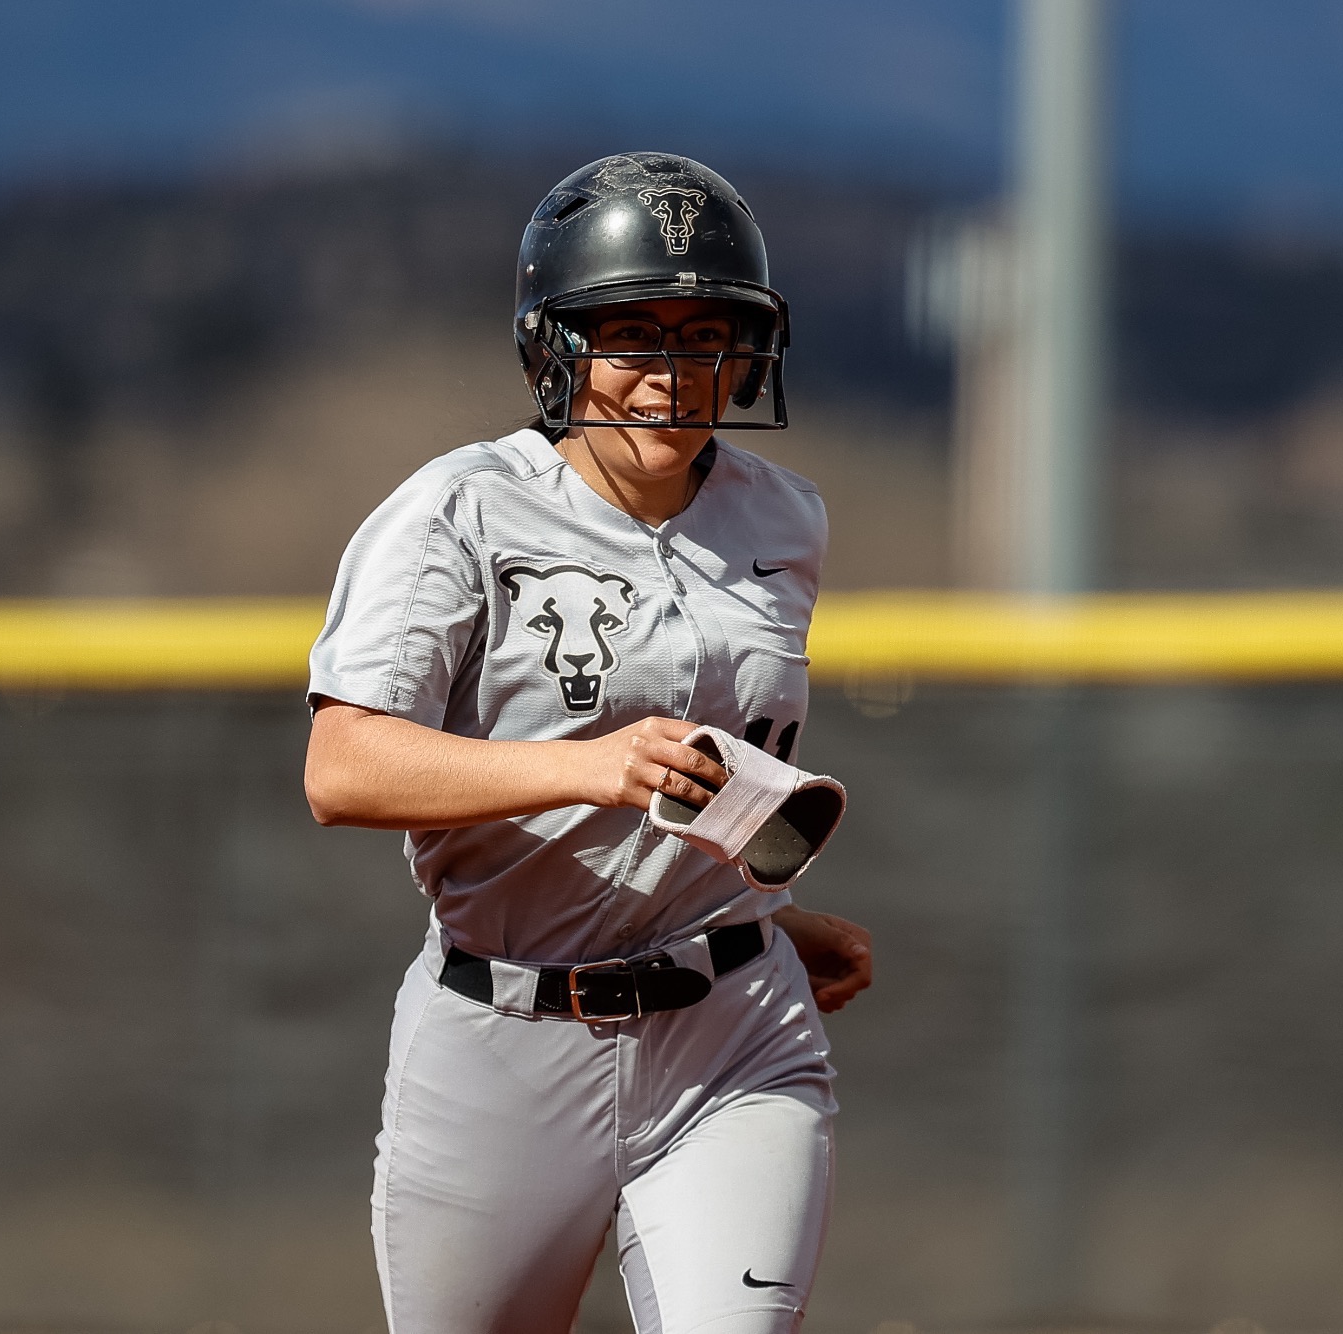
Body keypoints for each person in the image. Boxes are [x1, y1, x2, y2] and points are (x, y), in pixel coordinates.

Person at [304, 151, 874, 1334]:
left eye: (706, 331)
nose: (673, 371)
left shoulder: (784, 517)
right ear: (553, 350)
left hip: (732, 1032)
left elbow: (708, 764)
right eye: (631, 334)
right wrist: (584, 763)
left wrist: (749, 910)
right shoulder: (459, 510)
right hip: (500, 1031)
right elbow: (343, 766)